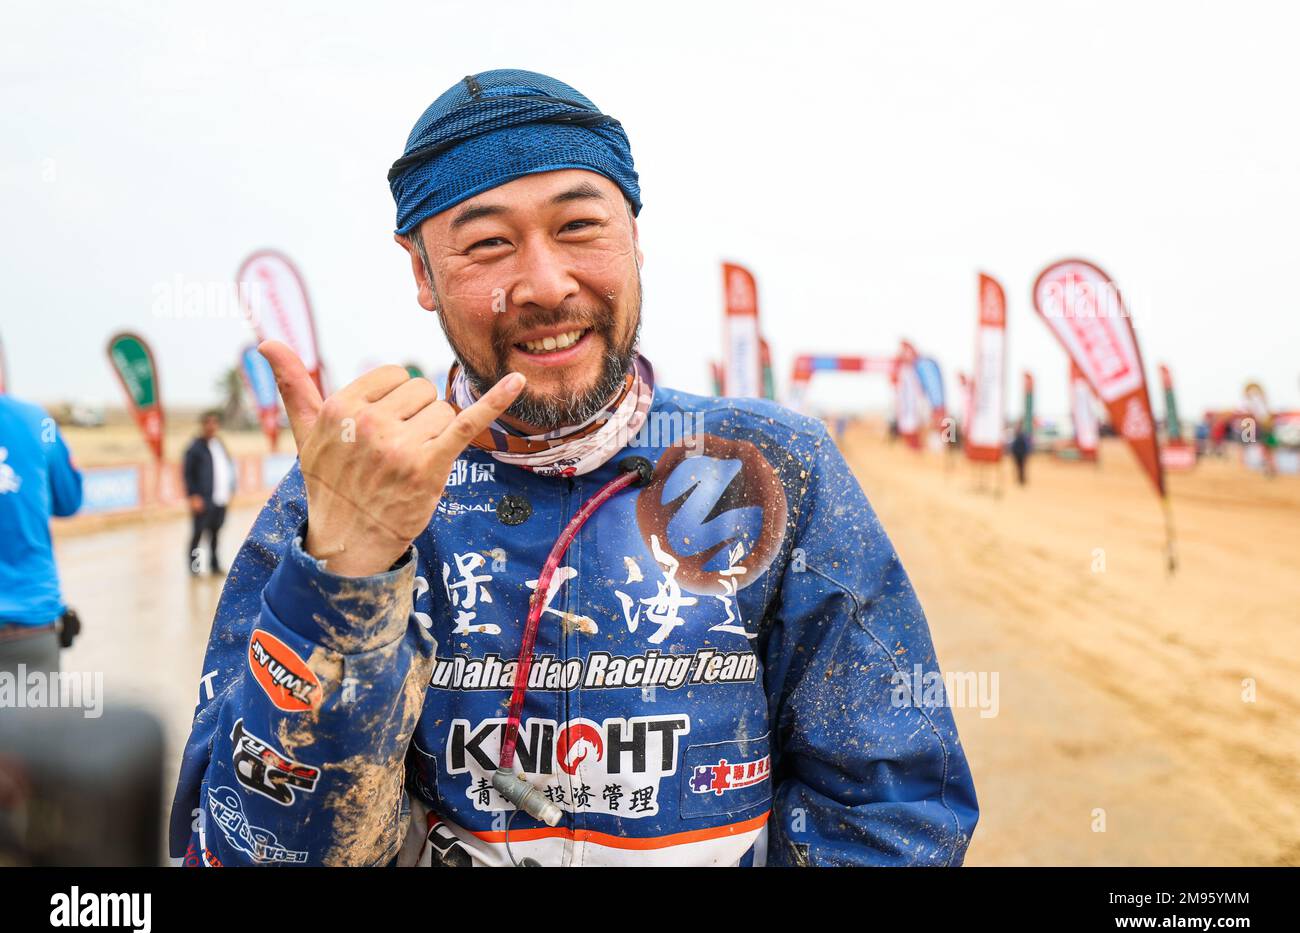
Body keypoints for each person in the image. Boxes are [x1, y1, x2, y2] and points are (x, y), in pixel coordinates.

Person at [170, 70, 978, 867]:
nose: (546, 286)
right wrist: (344, 581)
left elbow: (893, 811)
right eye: (488, 244)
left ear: (633, 235)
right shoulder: (343, 493)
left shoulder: (769, 467)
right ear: (422, 273)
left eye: (580, 227)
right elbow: (244, 848)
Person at [0, 395, 83, 673]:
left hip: (30, 628)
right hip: (29, 628)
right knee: (34, 716)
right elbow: (69, 499)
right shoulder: (36, 421)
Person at [182, 411, 236, 576]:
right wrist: (193, 496)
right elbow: (187, 474)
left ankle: (214, 565)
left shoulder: (220, 445)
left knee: (216, 533)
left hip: (220, 499)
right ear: (203, 425)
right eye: (208, 423)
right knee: (198, 535)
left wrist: (231, 491)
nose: (212, 426)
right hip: (203, 500)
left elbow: (228, 469)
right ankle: (195, 568)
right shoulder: (195, 448)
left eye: (215, 423)